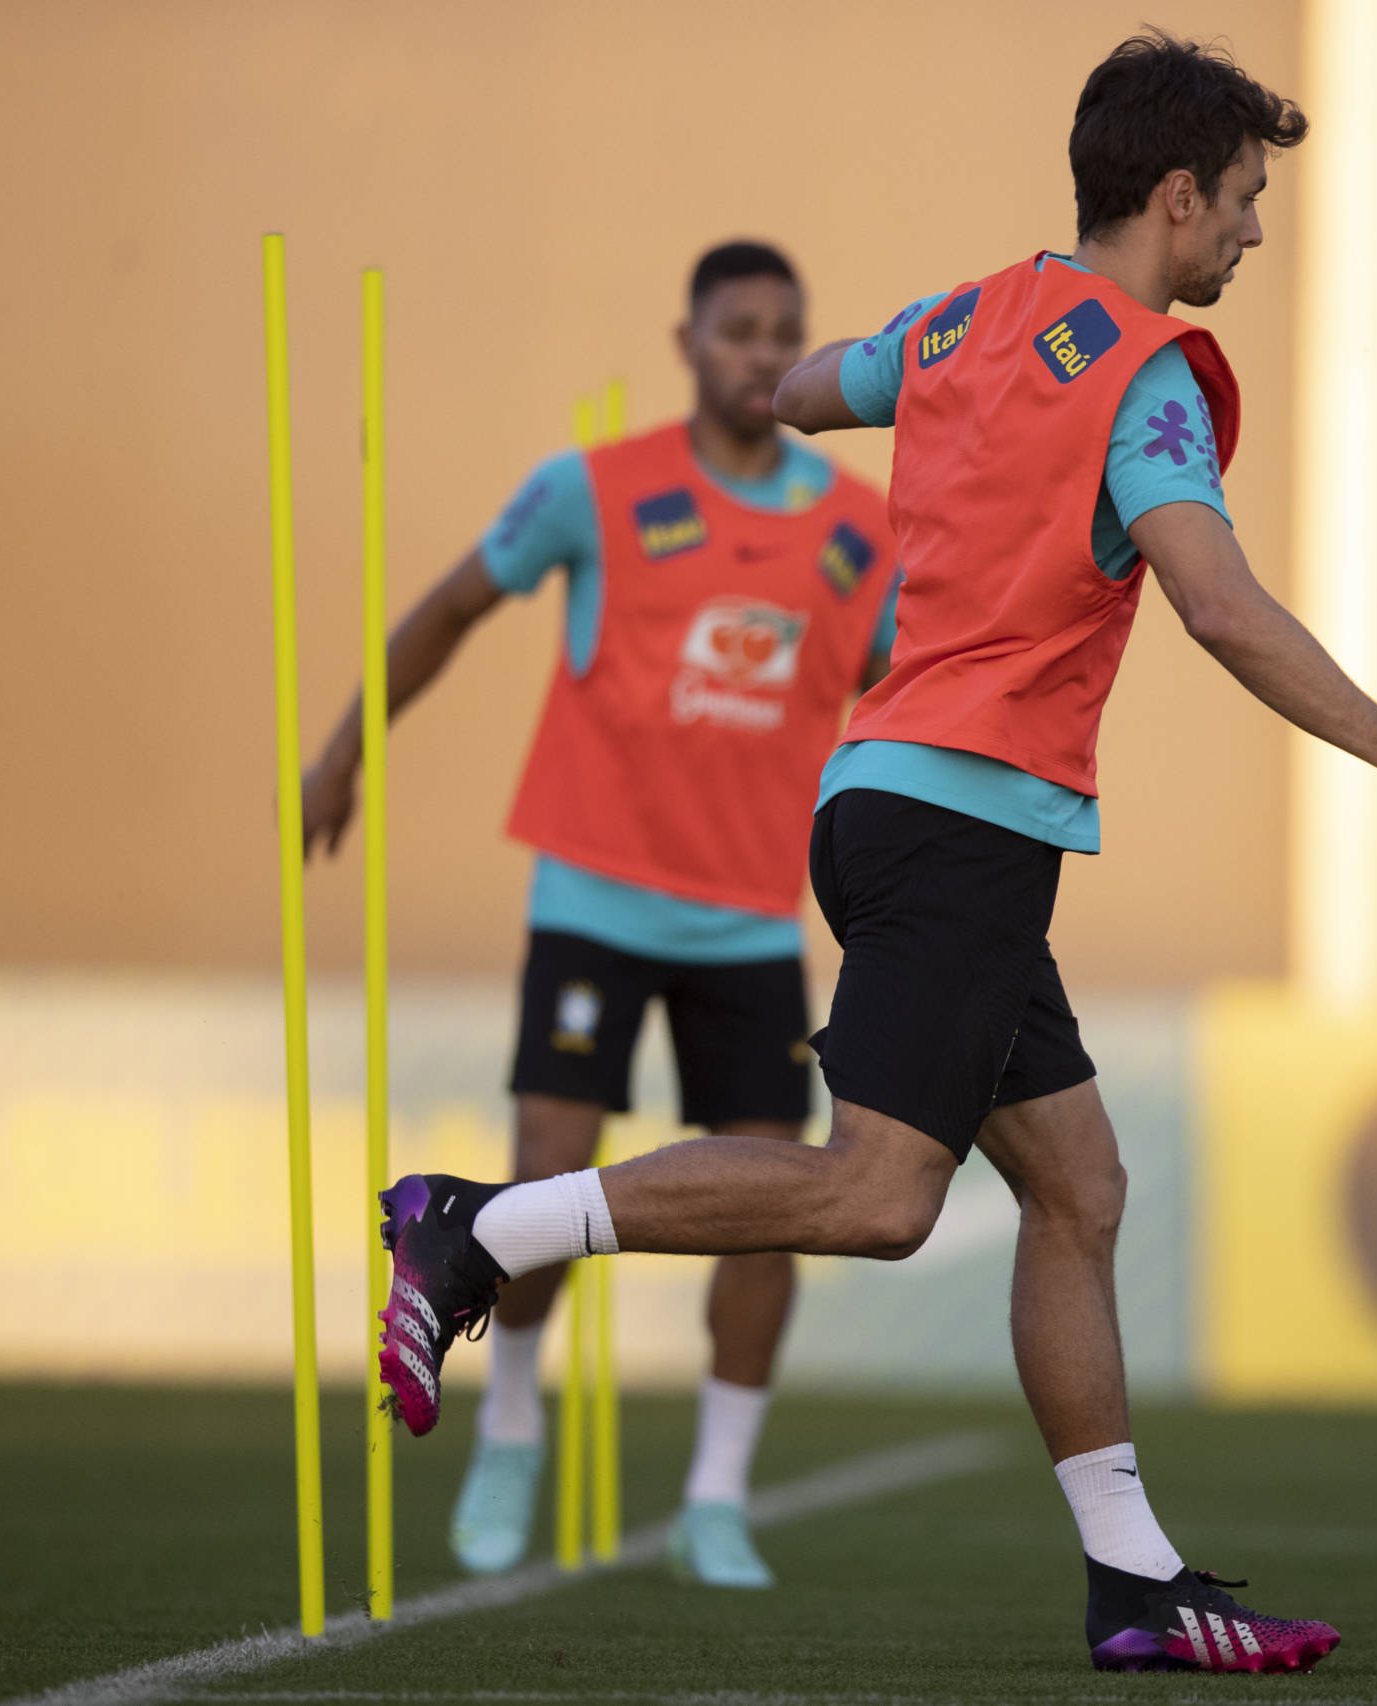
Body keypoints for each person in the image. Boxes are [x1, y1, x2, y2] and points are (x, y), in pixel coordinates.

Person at [372, 33, 1377, 1672]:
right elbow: (1218, 605)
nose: (1252, 231)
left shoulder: (960, 320)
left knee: (1078, 1186)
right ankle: (478, 1227)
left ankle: (1135, 1584)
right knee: (877, 1197)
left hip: (888, 799)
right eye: (1244, 198)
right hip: (962, 820)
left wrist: (875, 395)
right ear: (1174, 195)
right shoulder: (1146, 375)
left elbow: (803, 390)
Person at [303, 240, 901, 1589]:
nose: (761, 352)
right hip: (594, 890)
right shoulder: (593, 487)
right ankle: (512, 1423)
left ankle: (716, 1496)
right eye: (737, 328)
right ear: (687, 343)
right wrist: (346, 747)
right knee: (549, 1171)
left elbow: (913, 687)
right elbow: (453, 606)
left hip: (752, 916)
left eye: (785, 332)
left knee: (775, 1203)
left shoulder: (862, 531)